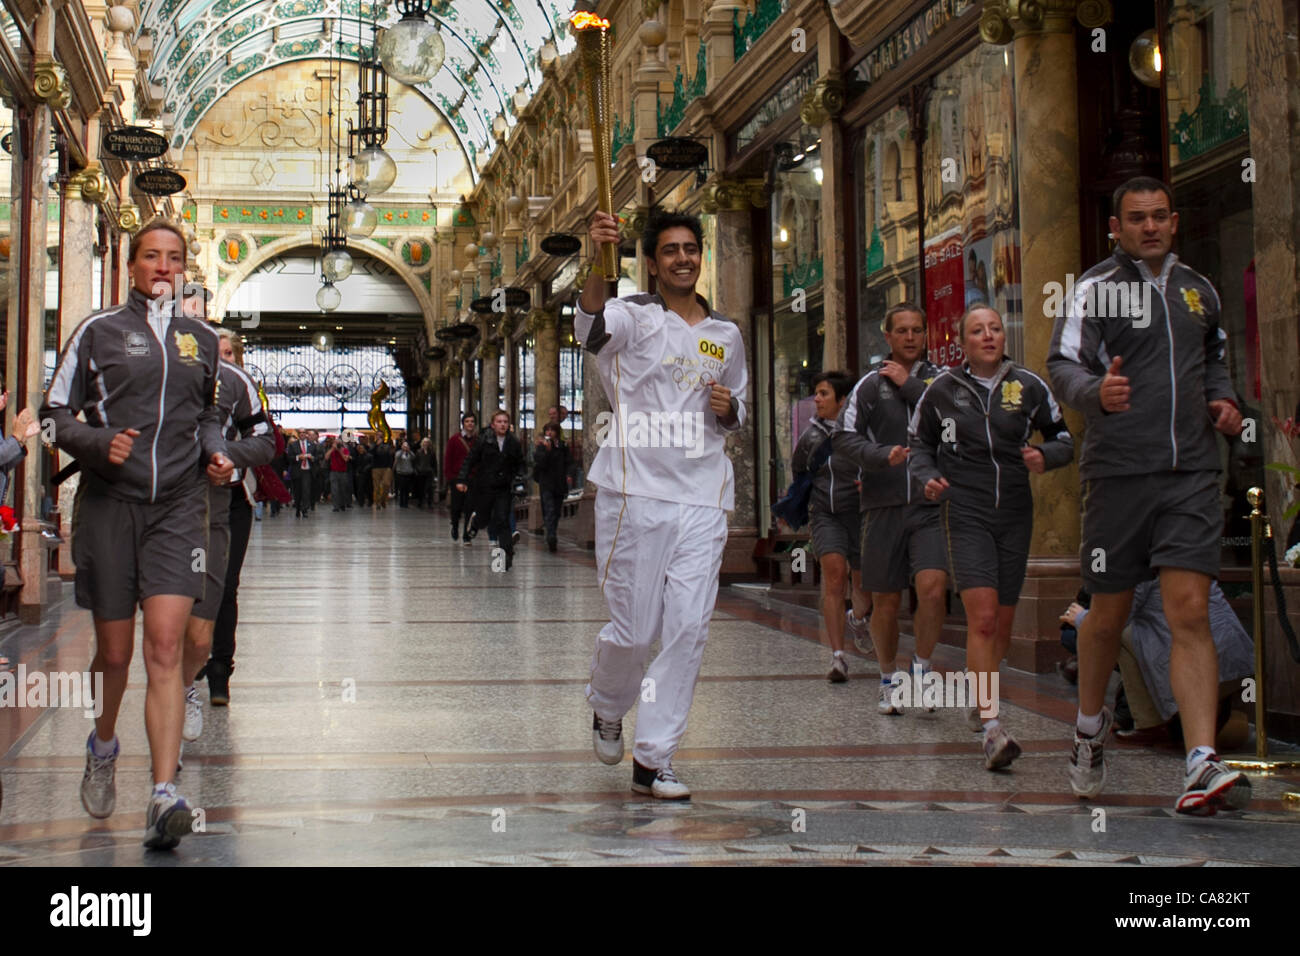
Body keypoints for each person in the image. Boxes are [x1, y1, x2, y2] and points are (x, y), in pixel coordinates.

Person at [1048, 175, 1251, 814]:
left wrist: (1224, 401)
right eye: (1136, 218)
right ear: (1117, 227)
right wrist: (1093, 394)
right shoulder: (1095, 290)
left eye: (1160, 216)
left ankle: (1200, 759)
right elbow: (1063, 364)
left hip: (1191, 472)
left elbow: (1215, 360)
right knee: (1106, 613)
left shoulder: (1199, 291)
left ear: (1175, 220)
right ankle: (1087, 731)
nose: (1150, 227)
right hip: (1118, 477)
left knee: (1188, 608)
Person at [41, 219, 231, 850]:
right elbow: (50, 416)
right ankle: (102, 745)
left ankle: (163, 792)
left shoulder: (201, 340)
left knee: (167, 648)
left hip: (179, 507)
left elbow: (207, 414)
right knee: (117, 655)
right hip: (111, 507)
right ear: (130, 265)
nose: (162, 267)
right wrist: (99, 442)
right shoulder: (97, 332)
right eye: (151, 256)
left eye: (174, 258)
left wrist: (216, 453)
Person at [577, 207, 748, 799]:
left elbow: (738, 405)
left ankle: (655, 758)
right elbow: (590, 327)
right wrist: (596, 255)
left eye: (691, 248)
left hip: (703, 496)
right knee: (634, 629)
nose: (683, 258)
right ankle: (608, 704)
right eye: (670, 250)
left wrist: (731, 410)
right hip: (636, 491)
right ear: (652, 262)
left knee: (688, 628)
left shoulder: (725, 333)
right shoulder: (632, 315)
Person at [910, 303, 1073, 770]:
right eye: (977, 330)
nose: (988, 336)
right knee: (981, 619)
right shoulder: (942, 391)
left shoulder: (1028, 386)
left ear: (1005, 336)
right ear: (961, 342)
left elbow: (1064, 438)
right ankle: (992, 728)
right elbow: (920, 443)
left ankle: (979, 692)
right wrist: (928, 475)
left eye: (995, 329)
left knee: (1001, 623)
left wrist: (1048, 456)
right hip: (966, 511)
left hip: (1016, 513)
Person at [835, 303, 945, 712]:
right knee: (887, 601)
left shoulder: (942, 381)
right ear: (888, 336)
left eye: (917, 330)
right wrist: (882, 456)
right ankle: (887, 677)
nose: (911, 337)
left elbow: (955, 418)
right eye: (902, 331)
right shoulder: (868, 386)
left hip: (930, 504)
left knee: (932, 589)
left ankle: (922, 667)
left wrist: (912, 386)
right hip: (882, 505)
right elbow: (844, 439)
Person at [182, 325, 275, 725]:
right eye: (214, 353)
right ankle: (190, 662)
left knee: (226, 584)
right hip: (188, 498)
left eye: (228, 354)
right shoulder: (192, 387)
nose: (221, 361)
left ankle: (221, 668)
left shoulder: (242, 389)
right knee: (190, 583)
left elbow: (264, 439)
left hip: (234, 499)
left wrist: (225, 456)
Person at [1059, 578, 1253, 749]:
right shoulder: (1181, 549)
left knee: (1122, 635)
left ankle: (1150, 724)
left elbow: (1116, 619)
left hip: (1198, 670)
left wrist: (1081, 617)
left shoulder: (1140, 558)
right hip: (1239, 661)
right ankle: (1215, 720)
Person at [791, 370, 864, 682]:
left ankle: (858, 618)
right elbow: (799, 473)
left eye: (823, 394)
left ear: (842, 400)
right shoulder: (810, 438)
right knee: (834, 577)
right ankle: (838, 656)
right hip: (825, 515)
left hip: (861, 514)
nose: (817, 400)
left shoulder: (860, 432)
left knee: (864, 583)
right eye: (816, 394)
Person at [455, 409, 524, 569]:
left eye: (505, 422)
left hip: (503, 487)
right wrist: (462, 479)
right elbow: (470, 460)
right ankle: (474, 523)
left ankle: (506, 554)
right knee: (484, 517)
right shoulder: (484, 440)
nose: (502, 425)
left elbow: (520, 463)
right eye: (499, 422)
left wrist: (519, 479)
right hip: (485, 486)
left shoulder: (513, 442)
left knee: (502, 519)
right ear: (493, 425)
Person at [532, 421, 569, 552]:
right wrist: (547, 450)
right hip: (546, 483)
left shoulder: (563, 446)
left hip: (559, 483)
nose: (549, 433)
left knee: (557, 511)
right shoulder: (541, 447)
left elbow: (568, 462)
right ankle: (551, 535)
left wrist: (569, 475)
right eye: (547, 430)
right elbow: (540, 462)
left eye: (552, 430)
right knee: (549, 509)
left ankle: (552, 531)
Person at [445, 414, 477, 542]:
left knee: (470, 506)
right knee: (456, 506)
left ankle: (466, 533)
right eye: (467, 421)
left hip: (472, 478)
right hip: (457, 478)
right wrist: (451, 478)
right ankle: (455, 525)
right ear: (463, 423)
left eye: (472, 421)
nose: (470, 424)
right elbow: (448, 459)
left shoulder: (477, 440)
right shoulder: (454, 440)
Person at [288, 430, 314, 518]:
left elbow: (317, 456)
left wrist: (312, 457)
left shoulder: (311, 444)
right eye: (300, 433)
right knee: (297, 491)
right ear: (299, 435)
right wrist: (297, 457)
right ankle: (298, 508)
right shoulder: (293, 445)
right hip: (297, 471)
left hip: (307, 470)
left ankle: (305, 509)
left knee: (306, 491)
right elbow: (289, 458)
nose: (302, 434)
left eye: (304, 432)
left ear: (306, 434)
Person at [328, 435, 351, 511]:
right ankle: (336, 506)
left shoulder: (345, 450)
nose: (337, 445)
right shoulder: (332, 450)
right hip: (333, 472)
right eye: (336, 443)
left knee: (343, 489)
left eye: (338, 443)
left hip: (343, 472)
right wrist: (332, 449)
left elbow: (345, 459)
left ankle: (342, 504)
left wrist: (339, 451)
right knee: (334, 490)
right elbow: (326, 457)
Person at [370, 436, 394, 509]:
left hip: (386, 468)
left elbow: (391, 456)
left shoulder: (387, 446)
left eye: (381, 437)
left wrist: (390, 467)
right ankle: (377, 503)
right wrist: (376, 445)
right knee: (376, 486)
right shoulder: (373, 446)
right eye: (378, 437)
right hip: (376, 468)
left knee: (386, 484)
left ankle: (383, 499)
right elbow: (371, 453)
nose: (379, 438)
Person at [415, 438, 436, 508]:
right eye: (424, 442)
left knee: (430, 488)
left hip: (429, 472)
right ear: (422, 443)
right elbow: (416, 462)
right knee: (421, 487)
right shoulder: (418, 452)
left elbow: (434, 463)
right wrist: (418, 469)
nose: (425, 444)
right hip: (421, 472)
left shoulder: (432, 452)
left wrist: (433, 470)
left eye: (427, 442)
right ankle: (420, 501)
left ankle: (430, 503)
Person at [394, 439, 415, 508]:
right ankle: (401, 503)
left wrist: (409, 451)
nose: (405, 447)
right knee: (402, 488)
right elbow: (397, 457)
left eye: (406, 446)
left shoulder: (410, 453)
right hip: (401, 473)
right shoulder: (398, 453)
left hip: (408, 473)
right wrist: (402, 451)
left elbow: (414, 458)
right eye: (404, 446)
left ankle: (406, 503)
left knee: (407, 489)